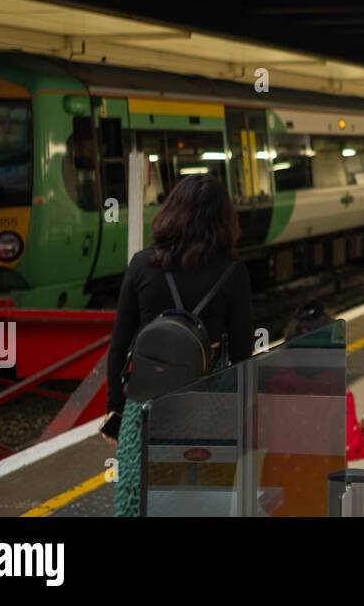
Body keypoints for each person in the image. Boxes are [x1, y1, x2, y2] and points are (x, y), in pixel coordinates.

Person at [101, 173, 254, 517]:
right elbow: (244, 354)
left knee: (136, 492)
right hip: (206, 399)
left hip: (146, 397)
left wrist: (115, 409)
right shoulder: (233, 272)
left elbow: (120, 343)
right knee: (199, 493)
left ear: (170, 212)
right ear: (223, 220)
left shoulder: (142, 264)